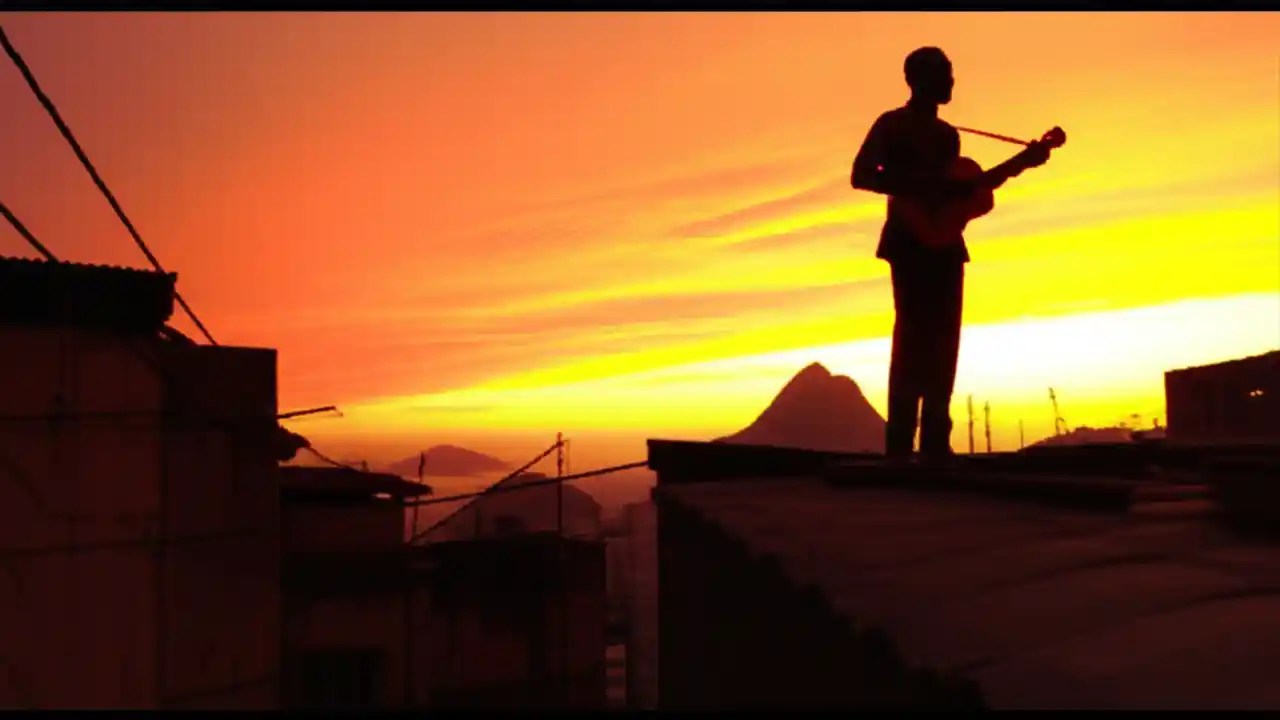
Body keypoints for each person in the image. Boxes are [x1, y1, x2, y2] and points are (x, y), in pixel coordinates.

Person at [851, 47, 1048, 463]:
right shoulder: (892, 124)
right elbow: (862, 175)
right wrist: (918, 187)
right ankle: (901, 448)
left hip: (947, 245)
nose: (953, 82)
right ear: (919, 79)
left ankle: (936, 443)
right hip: (909, 240)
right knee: (912, 340)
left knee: (944, 344)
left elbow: (959, 194)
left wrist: (1024, 163)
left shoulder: (948, 136)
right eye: (946, 75)